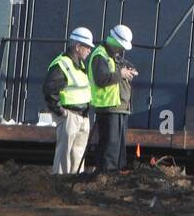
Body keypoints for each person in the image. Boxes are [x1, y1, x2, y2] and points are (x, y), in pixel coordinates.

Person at [45, 27, 95, 174]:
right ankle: (59, 188)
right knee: (64, 157)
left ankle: (73, 187)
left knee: (77, 157)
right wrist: (61, 112)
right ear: (78, 46)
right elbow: (49, 90)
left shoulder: (80, 66)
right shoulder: (62, 64)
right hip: (70, 116)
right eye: (87, 47)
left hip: (82, 117)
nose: (89, 51)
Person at [87, 25, 137, 173]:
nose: (122, 50)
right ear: (114, 41)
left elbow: (117, 72)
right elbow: (101, 79)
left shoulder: (112, 57)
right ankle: (106, 174)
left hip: (119, 107)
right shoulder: (100, 56)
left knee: (117, 146)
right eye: (121, 46)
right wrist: (120, 74)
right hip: (108, 107)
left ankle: (115, 172)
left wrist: (128, 72)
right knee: (109, 145)